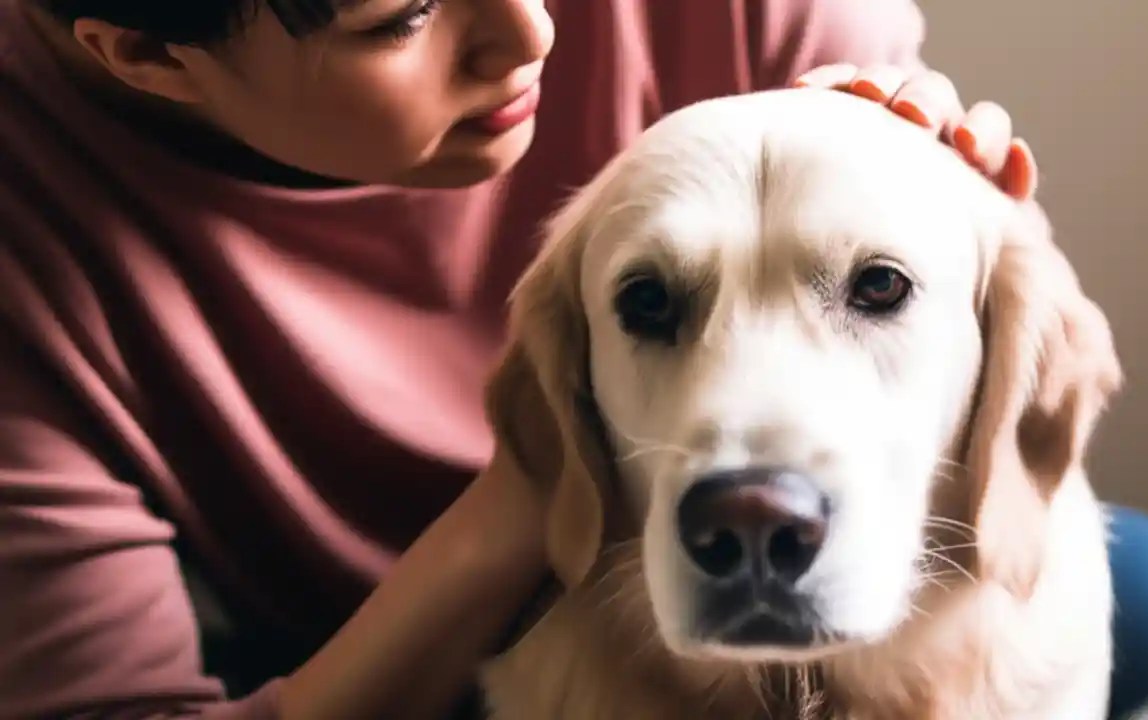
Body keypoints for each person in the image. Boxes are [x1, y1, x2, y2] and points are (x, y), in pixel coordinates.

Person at [0, 1, 1038, 717]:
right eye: (402, 14)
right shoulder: (27, 234)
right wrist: (531, 484)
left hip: (867, 602)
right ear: (146, 53)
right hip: (380, 670)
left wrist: (951, 224)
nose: (532, 31)